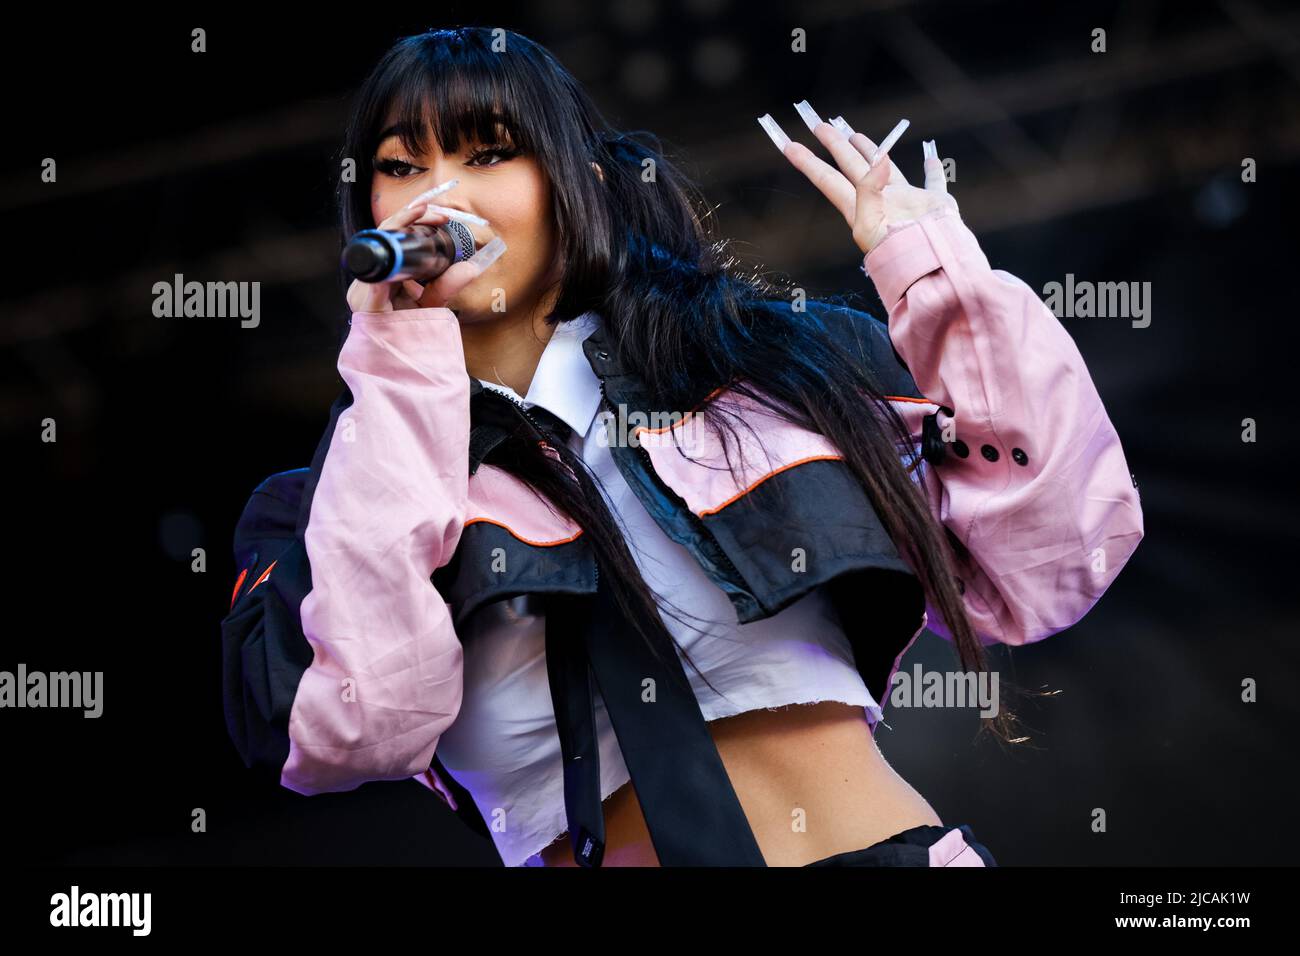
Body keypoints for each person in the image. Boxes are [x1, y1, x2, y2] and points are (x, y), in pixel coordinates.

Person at [220, 26, 1144, 868]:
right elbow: (353, 730)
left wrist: (934, 277)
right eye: (401, 163)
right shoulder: (324, 509)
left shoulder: (762, 369)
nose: (440, 193)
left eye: (489, 150)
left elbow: (1049, 561)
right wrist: (399, 374)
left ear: (571, 179)